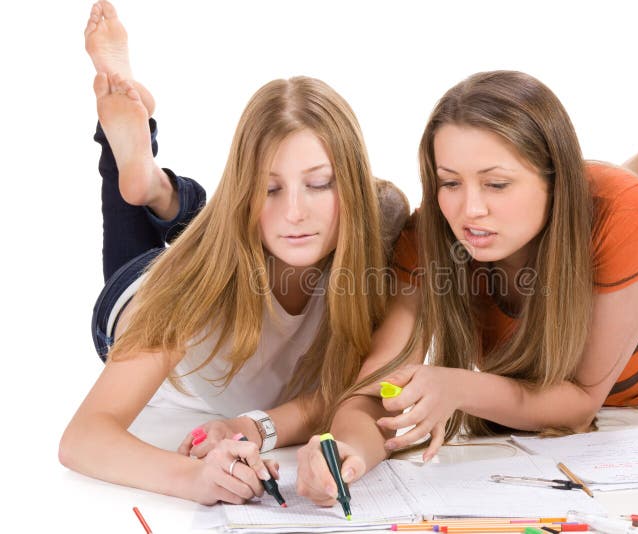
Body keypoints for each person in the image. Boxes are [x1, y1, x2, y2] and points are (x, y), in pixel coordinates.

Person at [375, 0, 638, 457]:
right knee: (615, 207)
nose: (470, 210)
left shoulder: (622, 212)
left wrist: (459, 386)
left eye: (496, 184)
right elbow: (378, 378)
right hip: (605, 246)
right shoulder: (431, 232)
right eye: (449, 182)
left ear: (555, 181)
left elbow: (578, 406)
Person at [59, 1, 410, 505]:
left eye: (319, 184)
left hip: (226, 236)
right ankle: (133, 165)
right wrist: (192, 479)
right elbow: (83, 438)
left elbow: (355, 385)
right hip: (142, 293)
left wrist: (256, 427)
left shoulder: (382, 228)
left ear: (351, 183)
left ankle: (162, 188)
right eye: (270, 189)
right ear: (247, 192)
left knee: (210, 221)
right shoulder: (192, 287)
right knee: (156, 263)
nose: (295, 212)